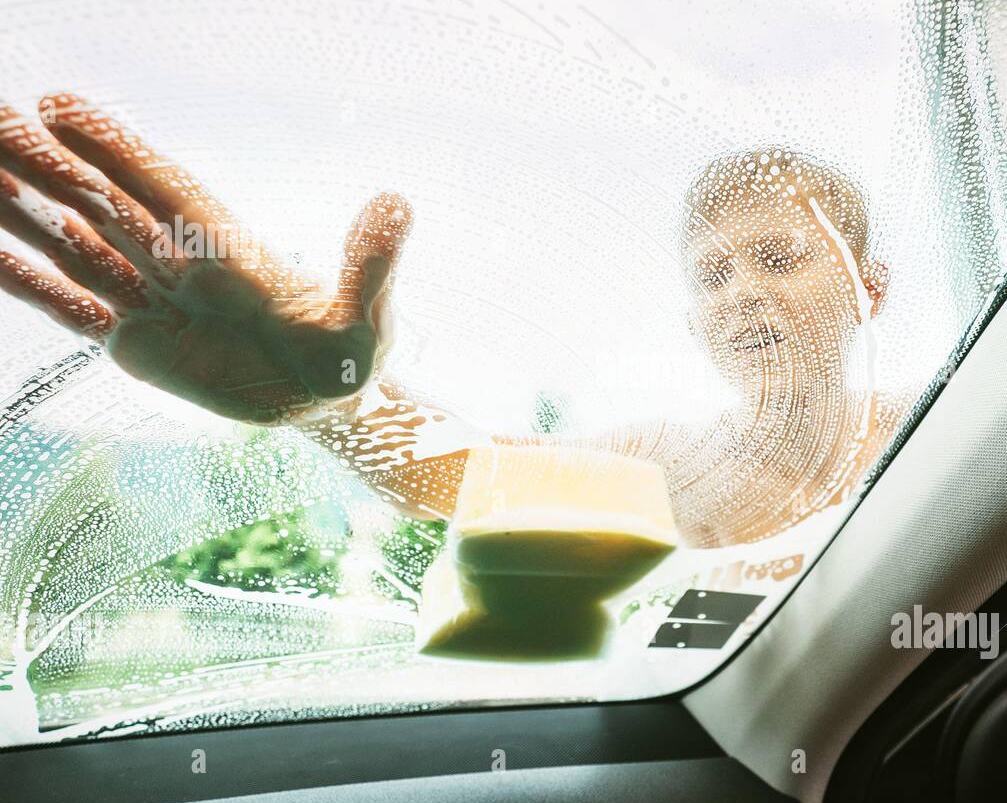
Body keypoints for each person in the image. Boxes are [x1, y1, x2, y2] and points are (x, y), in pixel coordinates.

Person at [0, 96, 888, 549]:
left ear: (869, 290)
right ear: (694, 324)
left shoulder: (945, 436)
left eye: (778, 259)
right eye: (714, 276)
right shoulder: (667, 462)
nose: (741, 295)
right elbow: (476, 477)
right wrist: (333, 405)